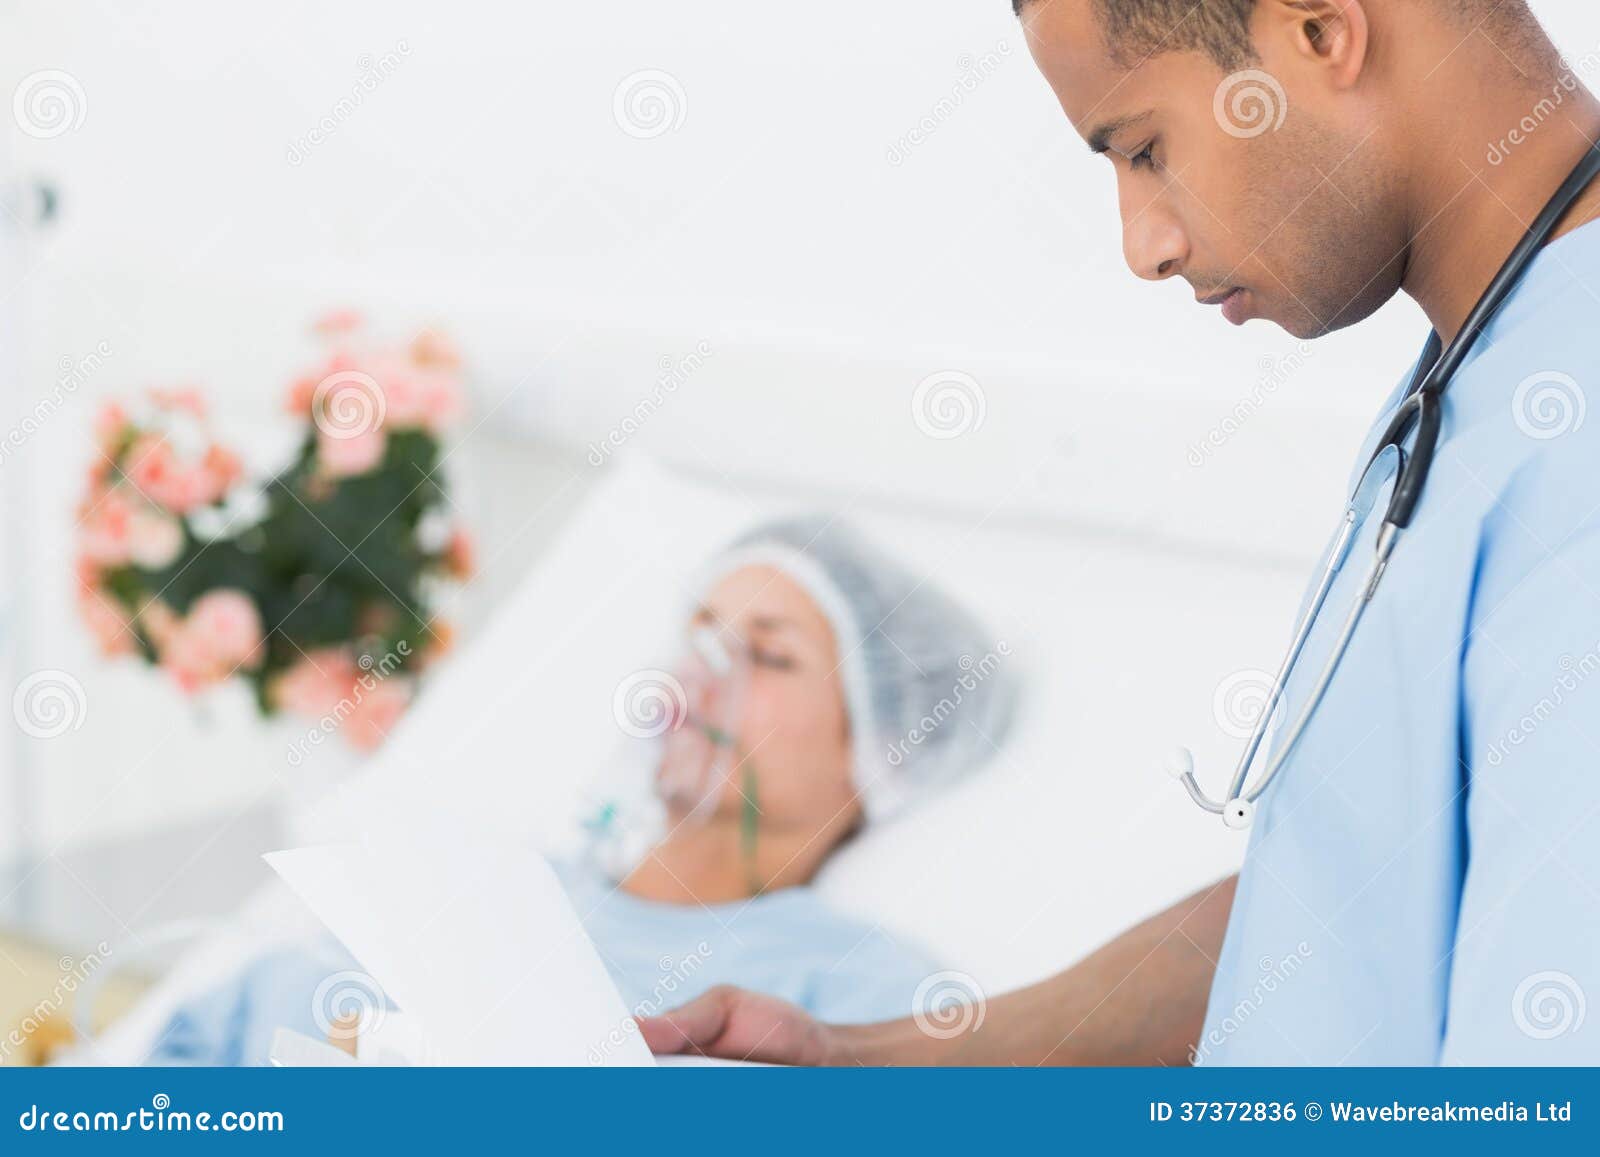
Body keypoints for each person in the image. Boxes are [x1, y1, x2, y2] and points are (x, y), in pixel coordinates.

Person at [643, 0, 1600, 1066]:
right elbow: (1349, 898)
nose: (1145, 245)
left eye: (1145, 149)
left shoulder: (1573, 441)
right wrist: (868, 1064)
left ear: (1322, 30)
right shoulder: (1481, 382)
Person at [142, 516, 1017, 1064]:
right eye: (702, 633)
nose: (704, 671)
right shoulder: (471, 879)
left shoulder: (858, 991)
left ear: (882, 746)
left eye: (769, 652)